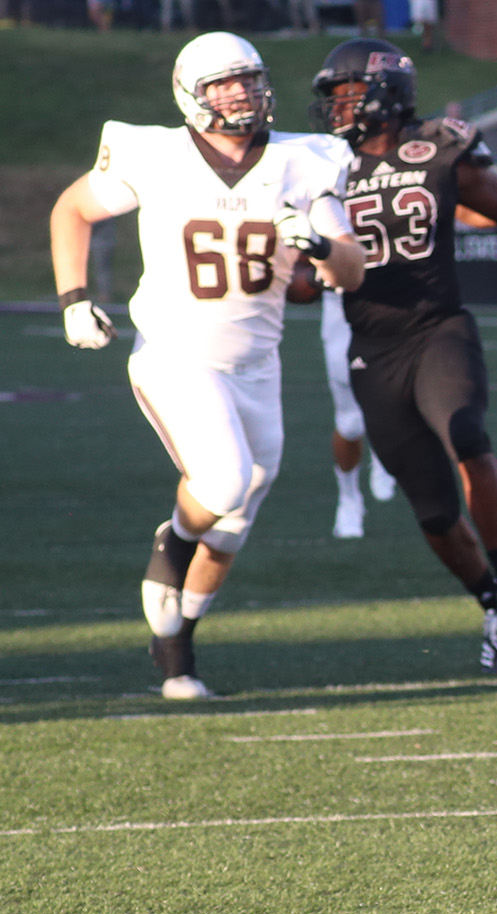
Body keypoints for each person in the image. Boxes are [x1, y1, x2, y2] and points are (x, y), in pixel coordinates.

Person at [49, 32, 366, 698]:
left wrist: (314, 242)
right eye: (224, 83)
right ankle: (175, 536)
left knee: (241, 509)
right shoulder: (156, 152)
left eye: (249, 79)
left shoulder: (306, 160)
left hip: (257, 365)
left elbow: (352, 268)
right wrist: (75, 301)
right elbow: (72, 209)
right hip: (174, 352)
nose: (243, 93)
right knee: (219, 484)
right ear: (192, 95)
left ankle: (176, 648)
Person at [310, 39, 497, 671]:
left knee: (467, 436)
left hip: (439, 327)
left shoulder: (437, 147)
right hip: (371, 346)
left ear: (386, 92)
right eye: (333, 97)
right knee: (433, 509)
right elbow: (297, 289)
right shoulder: (317, 164)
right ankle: (491, 605)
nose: (338, 108)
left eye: (348, 93)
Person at [319, 288, 398, 539]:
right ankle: (349, 498)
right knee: (350, 422)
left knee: (391, 396)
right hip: (342, 305)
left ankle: (382, 451)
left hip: (393, 300)